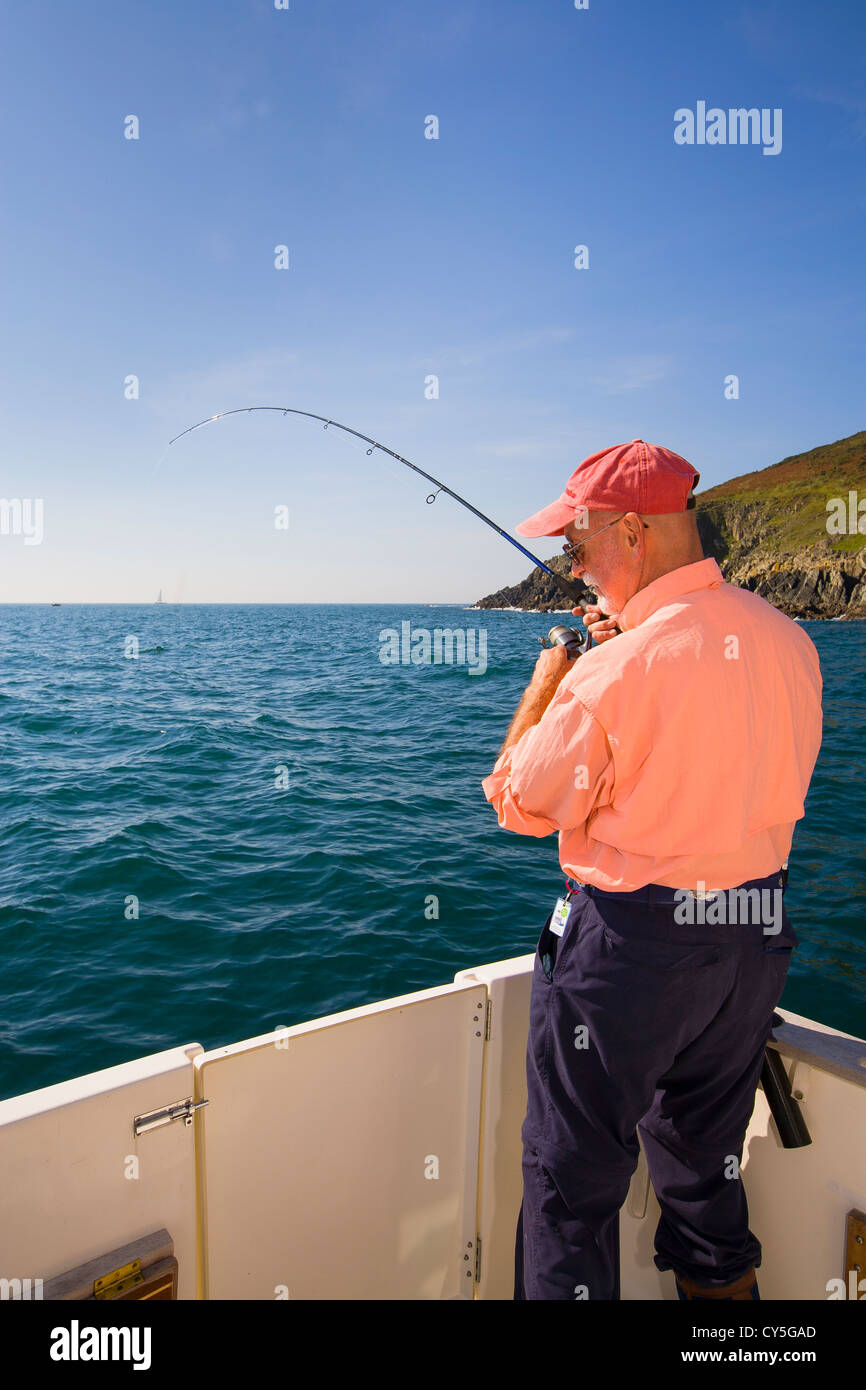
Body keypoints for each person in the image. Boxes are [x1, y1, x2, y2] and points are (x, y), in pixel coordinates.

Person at [481, 439, 823, 1301]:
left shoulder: (610, 673)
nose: (573, 565)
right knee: (707, 1180)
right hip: (751, 937)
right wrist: (624, 649)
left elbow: (518, 801)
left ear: (632, 532)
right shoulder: (788, 643)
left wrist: (554, 680)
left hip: (634, 951)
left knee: (571, 1186)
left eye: (578, 543)